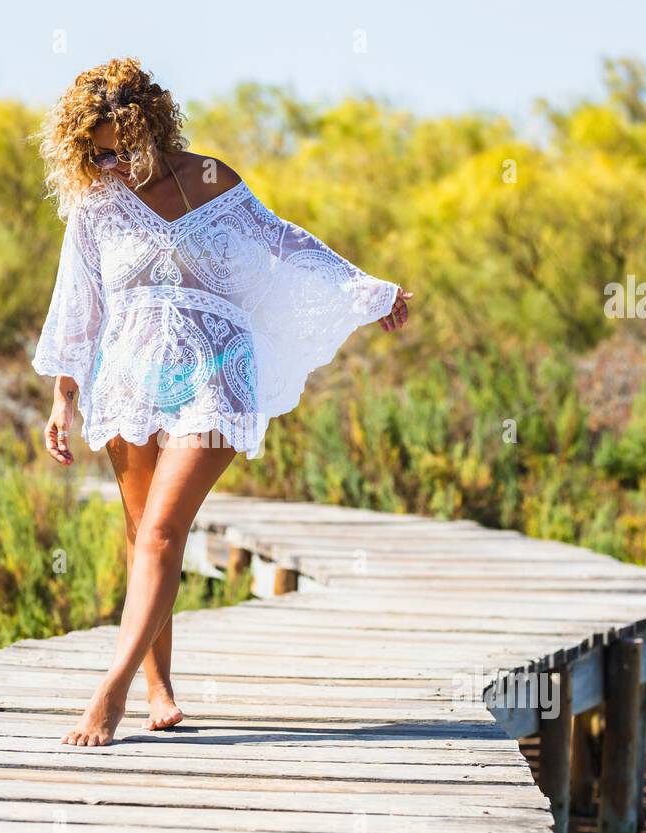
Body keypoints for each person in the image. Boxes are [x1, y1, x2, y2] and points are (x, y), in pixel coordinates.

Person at [32, 57, 411, 746]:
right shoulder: (94, 206)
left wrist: (368, 288)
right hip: (129, 377)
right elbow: (77, 308)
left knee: (162, 532)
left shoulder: (210, 177)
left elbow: (284, 240)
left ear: (150, 125)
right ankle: (159, 688)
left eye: (121, 147)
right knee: (141, 535)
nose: (111, 162)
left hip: (217, 372)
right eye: (97, 153)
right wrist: (63, 398)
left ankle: (109, 689)